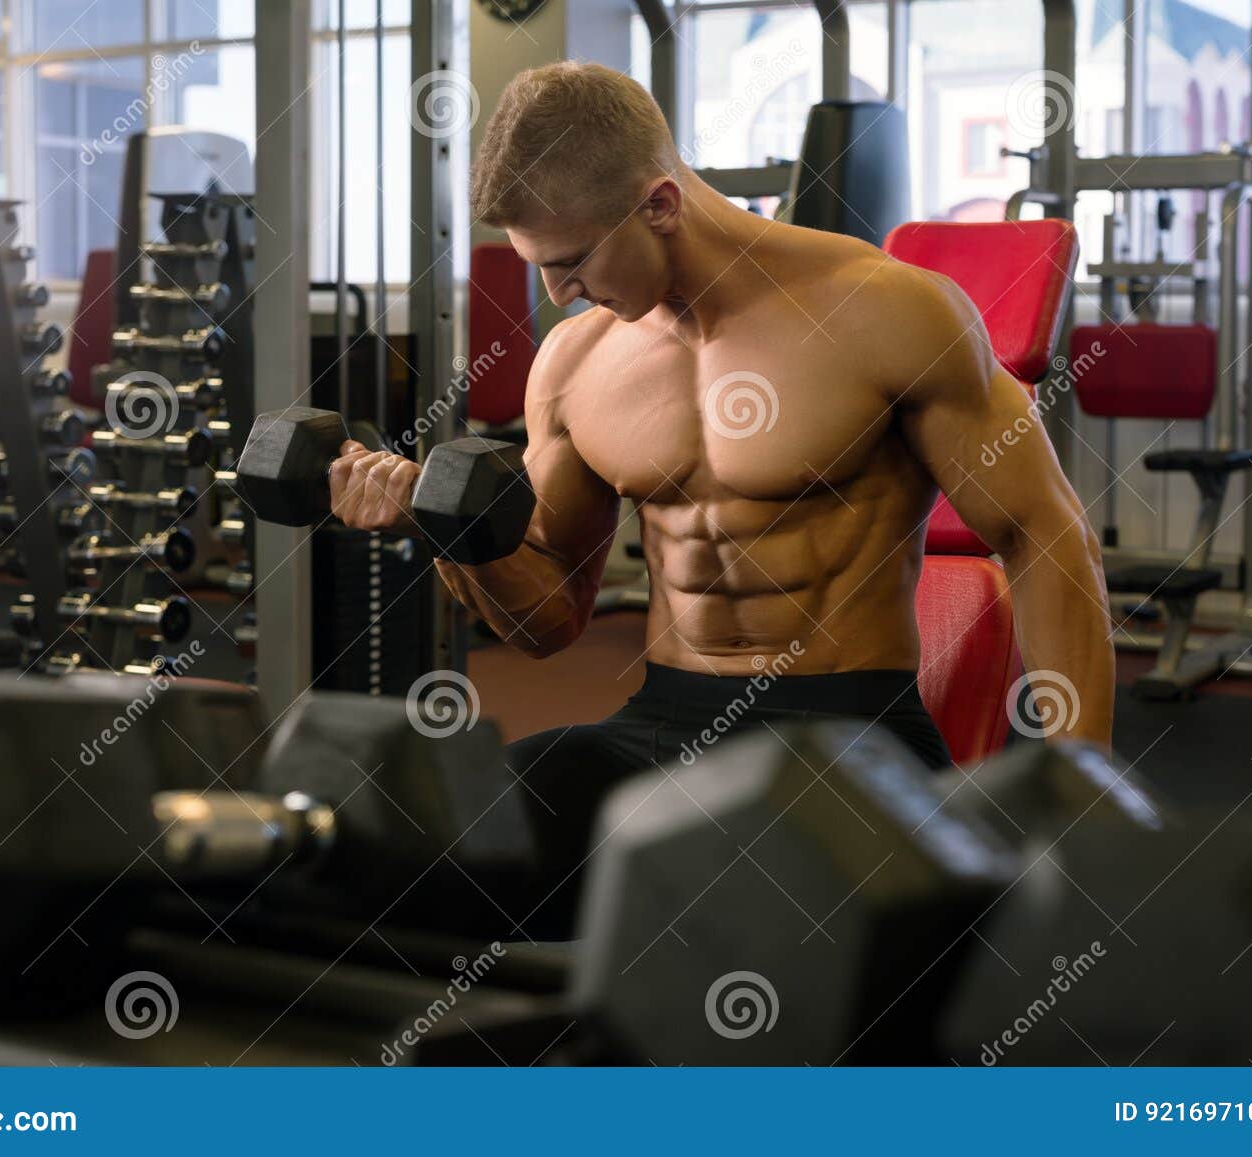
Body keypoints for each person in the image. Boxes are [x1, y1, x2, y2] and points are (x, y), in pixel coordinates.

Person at [327, 62, 1113, 931]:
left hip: (843, 736)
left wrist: (1078, 791)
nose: (558, 294)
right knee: (439, 857)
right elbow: (548, 622)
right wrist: (445, 528)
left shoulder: (888, 313)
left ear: (660, 203)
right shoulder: (576, 361)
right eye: (538, 268)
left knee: (765, 944)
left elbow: (1046, 537)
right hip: (660, 724)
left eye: (574, 260)